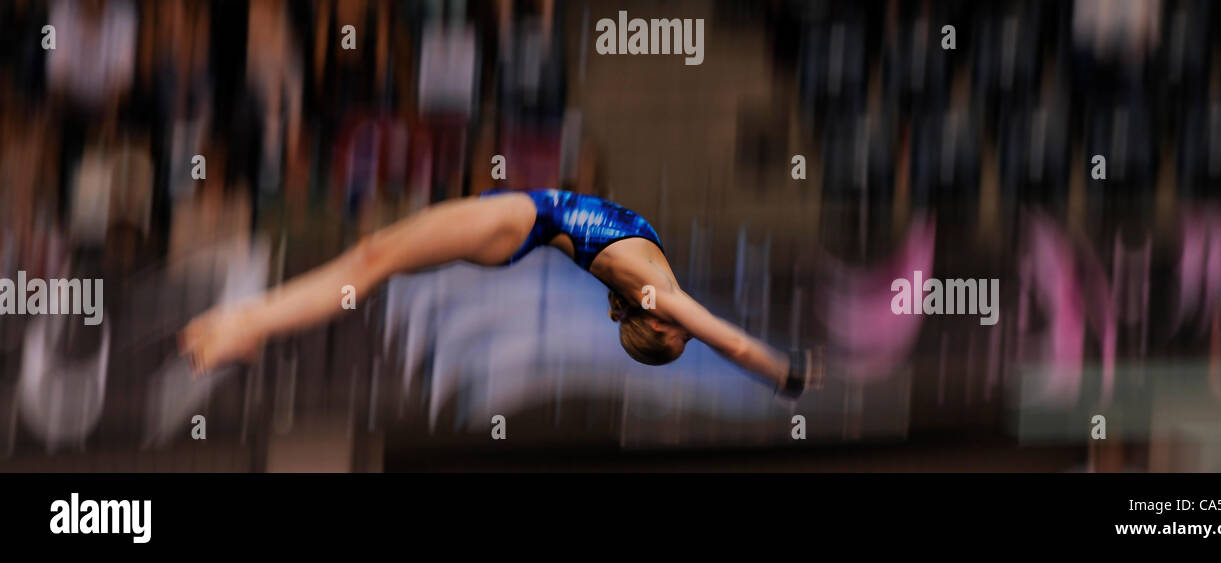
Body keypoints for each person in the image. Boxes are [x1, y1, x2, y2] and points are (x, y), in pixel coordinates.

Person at [180, 189, 822, 398]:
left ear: (662, 331)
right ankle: (246, 325)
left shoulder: (661, 300)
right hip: (519, 224)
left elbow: (732, 342)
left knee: (371, 261)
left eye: (685, 336)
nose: (693, 327)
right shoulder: (657, 288)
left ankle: (246, 326)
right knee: (373, 261)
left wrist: (783, 373)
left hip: (523, 219)